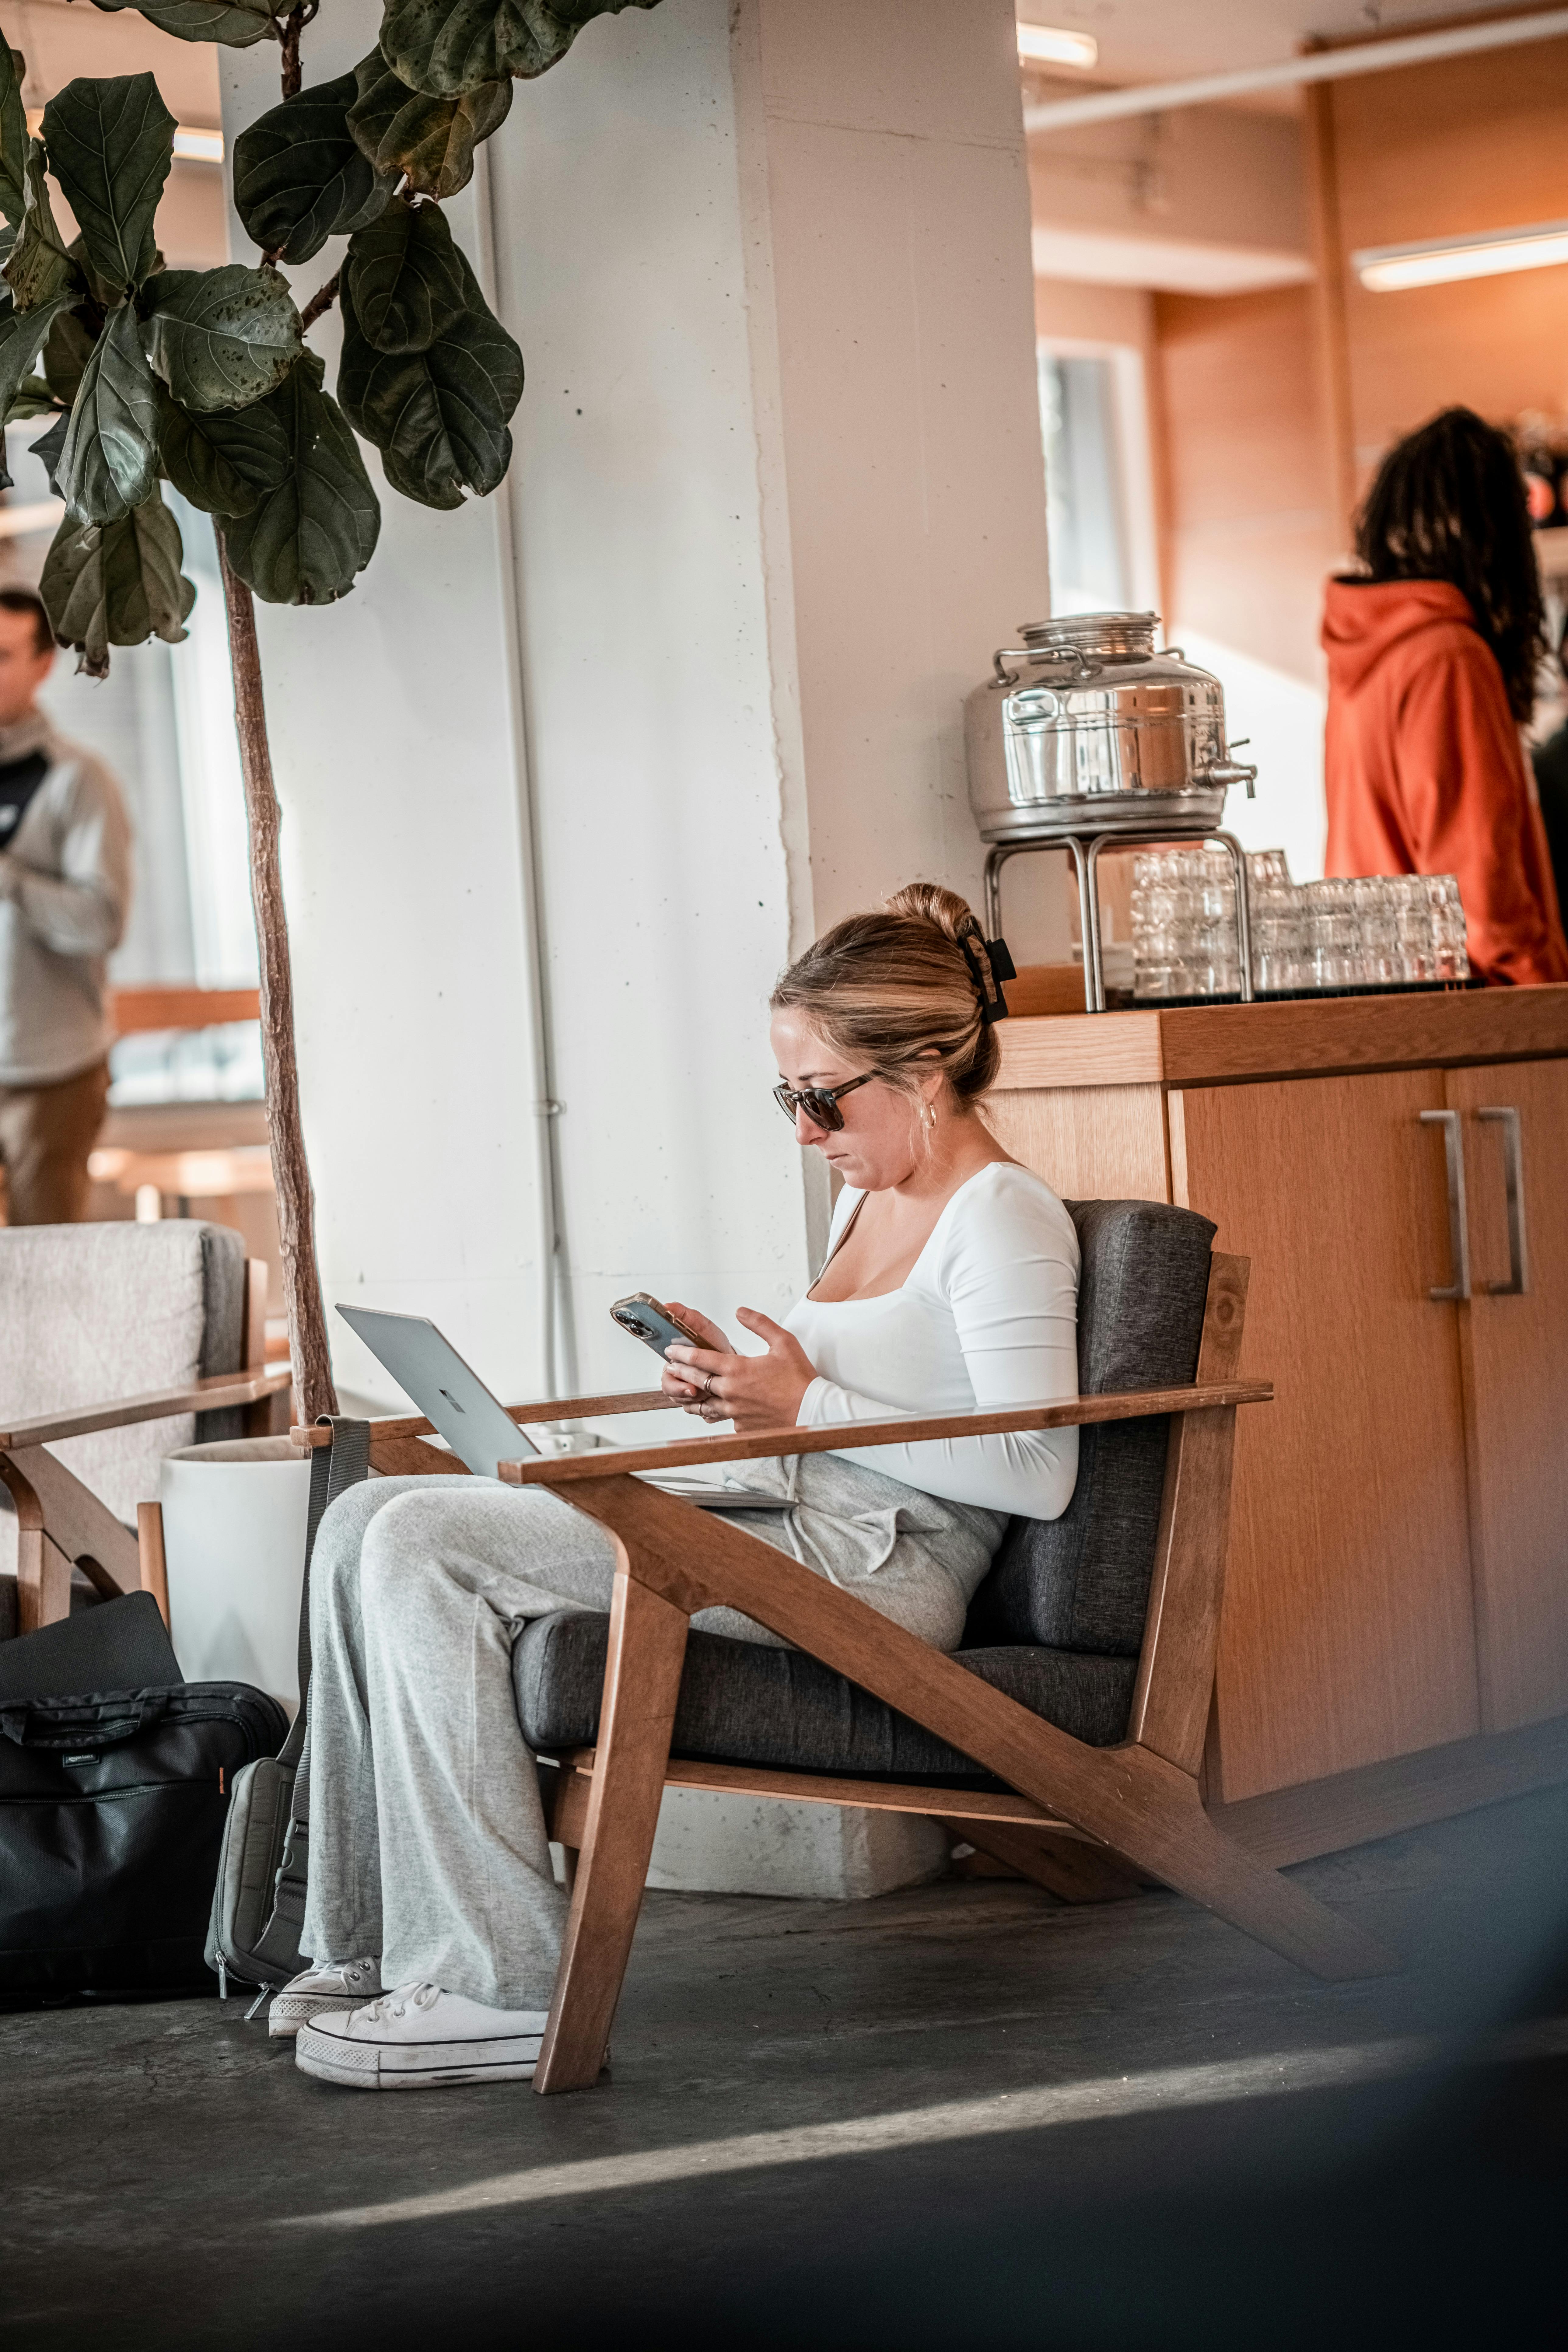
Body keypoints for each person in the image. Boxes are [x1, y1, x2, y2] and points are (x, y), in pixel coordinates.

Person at [272, 884, 1081, 2090]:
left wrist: (800, 1407)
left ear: (920, 1073)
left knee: (418, 1544)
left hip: (873, 1573)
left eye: (819, 1097)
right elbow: (842, 1404)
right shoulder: (872, 1191)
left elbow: (1041, 1469)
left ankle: (497, 1986)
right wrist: (744, 1392)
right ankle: (358, 1950)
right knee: (361, 1519)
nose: (803, 1130)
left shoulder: (1002, 1214)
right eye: (786, 1097)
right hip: (782, 1522)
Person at [1321, 405, 1568, 988]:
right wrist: (1546, 1003)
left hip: (1386, 1002)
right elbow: (1480, 895)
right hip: (1476, 1020)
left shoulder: (1366, 654)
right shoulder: (1448, 657)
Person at [0, 588, 132, 1223]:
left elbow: (102, 922)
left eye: (0, 654)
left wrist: (13, 883)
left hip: (49, 1076)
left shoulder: (77, 779)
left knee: (42, 1282)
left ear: (43, 665)